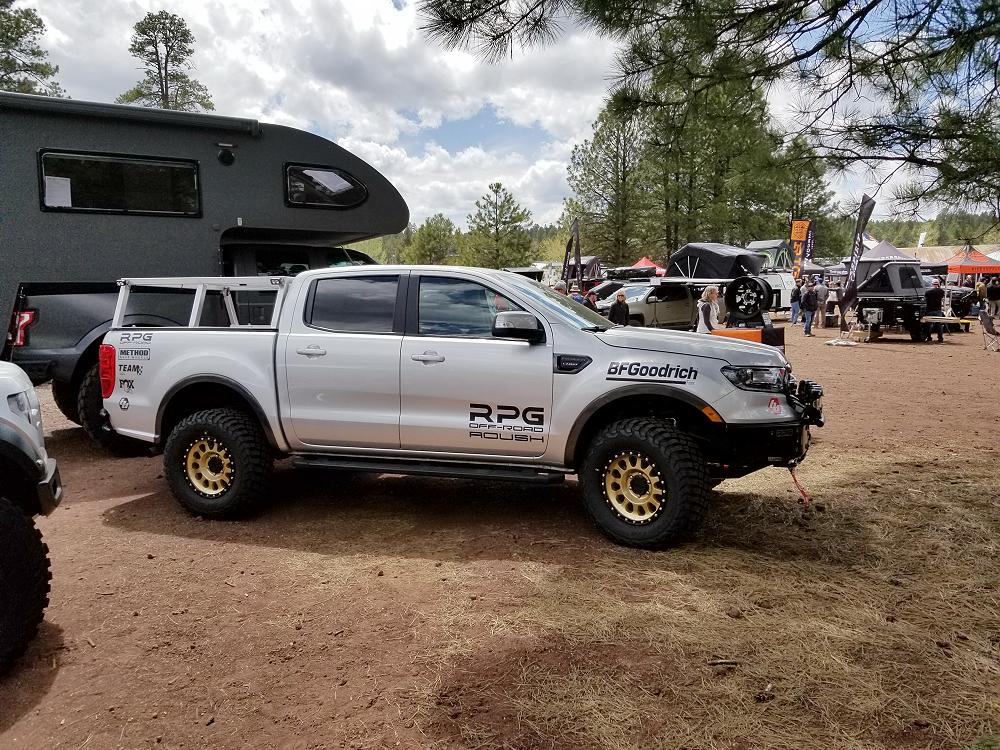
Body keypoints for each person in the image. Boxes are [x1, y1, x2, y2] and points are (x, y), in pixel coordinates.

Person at [924, 278, 946, 342]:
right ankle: (940, 338)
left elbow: (926, 299)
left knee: (929, 324)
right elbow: (942, 297)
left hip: (930, 309)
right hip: (938, 309)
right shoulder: (941, 291)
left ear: (932, 284)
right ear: (938, 284)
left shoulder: (928, 292)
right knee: (939, 324)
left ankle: (929, 337)